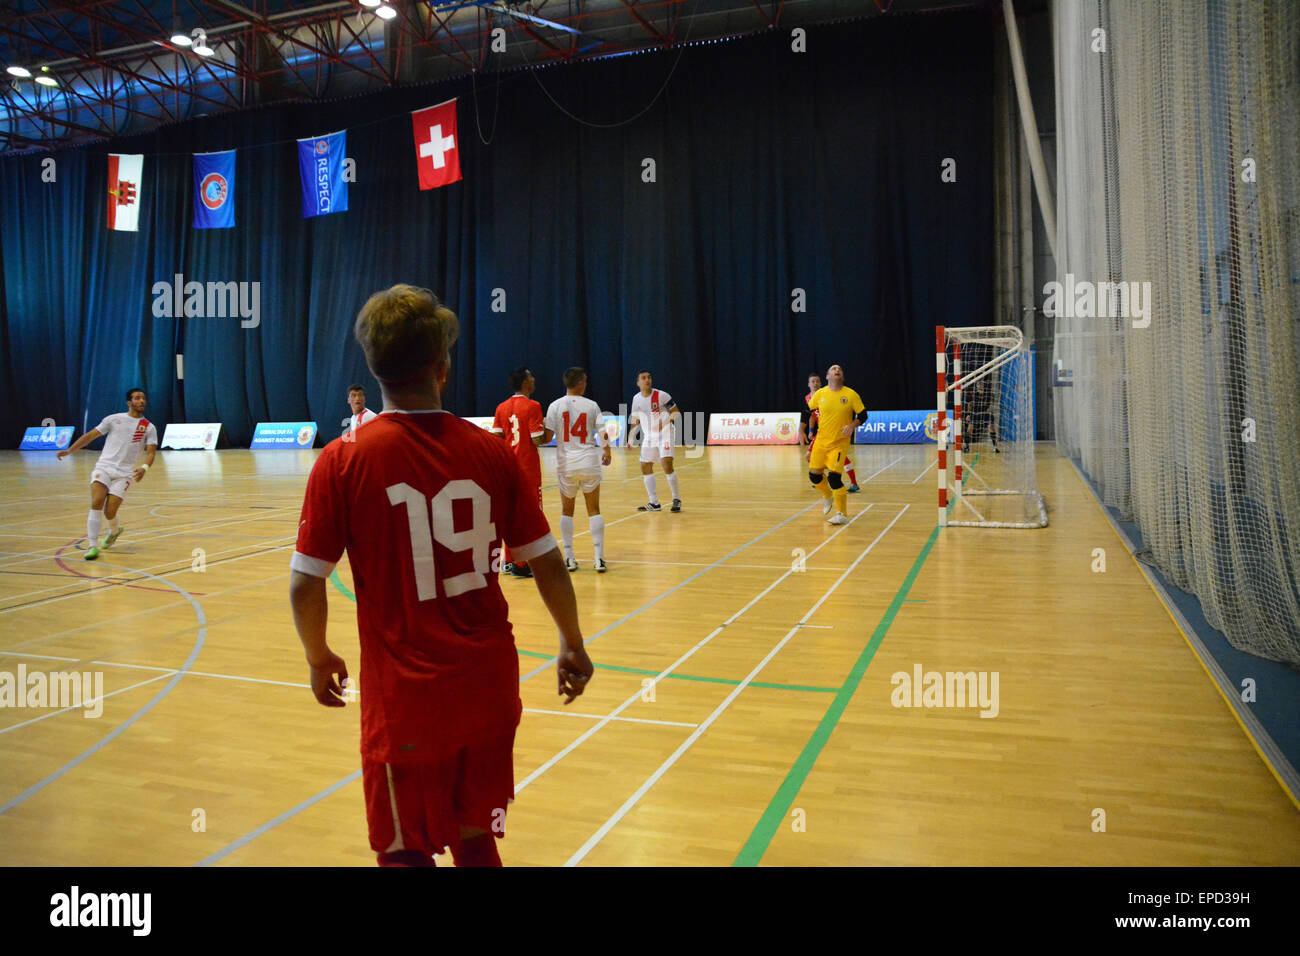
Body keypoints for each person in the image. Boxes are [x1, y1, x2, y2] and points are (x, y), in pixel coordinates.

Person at [288, 284, 593, 869]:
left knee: (403, 850)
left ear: (373, 369)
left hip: (406, 700)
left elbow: (306, 583)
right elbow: (548, 561)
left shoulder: (343, 459)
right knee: (477, 837)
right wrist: (572, 643)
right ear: (442, 367)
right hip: (487, 689)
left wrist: (318, 655)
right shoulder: (490, 452)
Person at [57, 387, 158, 560]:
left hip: (124, 473)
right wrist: (70, 450)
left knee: (109, 512)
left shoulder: (148, 427)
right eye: (137, 398)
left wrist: (144, 468)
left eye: (143, 398)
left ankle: (114, 530)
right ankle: (92, 546)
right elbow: (90, 436)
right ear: (129, 402)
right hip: (104, 467)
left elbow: (150, 453)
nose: (141, 401)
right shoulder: (113, 419)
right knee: (96, 501)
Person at [544, 367, 612, 572]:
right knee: (594, 511)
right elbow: (603, 433)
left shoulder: (554, 406)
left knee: (567, 511)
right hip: (589, 462)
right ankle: (598, 558)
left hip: (566, 465)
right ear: (580, 383)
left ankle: (569, 557)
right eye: (585, 380)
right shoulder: (592, 405)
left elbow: (547, 438)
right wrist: (607, 451)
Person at [491, 368, 552, 577]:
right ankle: (522, 564)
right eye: (531, 377)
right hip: (527, 470)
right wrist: (550, 432)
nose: (534, 379)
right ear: (526, 383)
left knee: (510, 515)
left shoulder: (501, 407)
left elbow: (497, 439)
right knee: (530, 516)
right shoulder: (533, 406)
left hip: (508, 468)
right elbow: (537, 439)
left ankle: (508, 561)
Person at [807, 364, 867, 525]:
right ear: (827, 376)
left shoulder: (851, 394)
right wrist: (805, 430)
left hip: (839, 443)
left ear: (842, 376)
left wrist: (852, 425)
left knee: (834, 477)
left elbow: (863, 415)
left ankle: (842, 514)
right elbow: (808, 410)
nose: (837, 370)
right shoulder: (820, 394)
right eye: (833, 369)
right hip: (821, 441)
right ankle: (827, 496)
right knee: (814, 475)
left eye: (840, 369)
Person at [629, 370, 681, 512]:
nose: (647, 380)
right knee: (645, 465)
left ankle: (676, 499)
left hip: (665, 433)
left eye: (649, 377)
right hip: (649, 436)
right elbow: (635, 419)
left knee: (666, 464)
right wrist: (631, 438)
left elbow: (676, 413)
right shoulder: (636, 399)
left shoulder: (661, 395)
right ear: (638, 383)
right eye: (644, 378)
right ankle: (654, 503)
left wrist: (663, 423)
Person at [800, 373, 860, 492]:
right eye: (813, 381)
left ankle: (852, 483)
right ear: (808, 384)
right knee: (810, 456)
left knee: (840, 458)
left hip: (835, 432)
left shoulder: (826, 393)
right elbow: (811, 416)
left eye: (817, 381)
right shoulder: (808, 398)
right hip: (822, 432)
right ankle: (821, 480)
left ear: (821, 383)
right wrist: (810, 430)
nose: (815, 383)